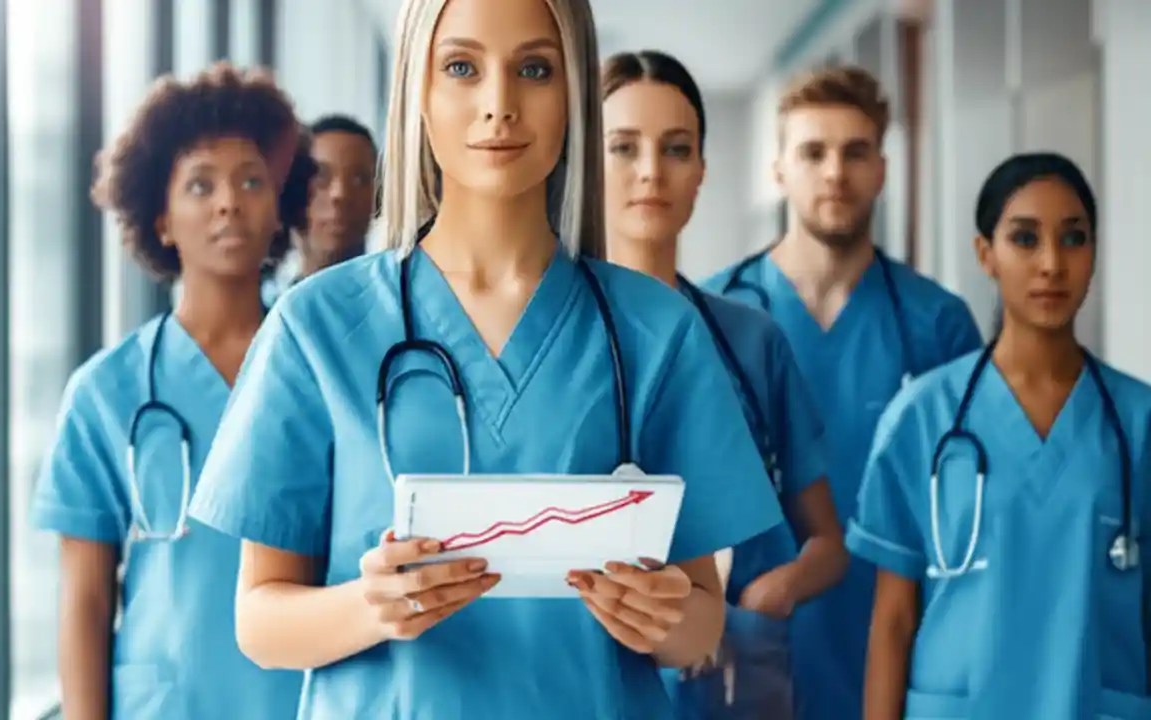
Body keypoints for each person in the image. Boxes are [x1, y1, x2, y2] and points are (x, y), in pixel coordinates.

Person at [186, 0, 783, 718]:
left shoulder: (656, 331)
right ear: (419, 94)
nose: (499, 106)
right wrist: (371, 607)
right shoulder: (317, 326)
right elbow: (260, 622)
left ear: (574, 98)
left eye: (534, 69)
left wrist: (663, 618)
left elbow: (699, 628)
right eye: (462, 68)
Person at [31, 64, 312, 719]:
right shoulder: (106, 392)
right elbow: (86, 598)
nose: (228, 202)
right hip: (169, 701)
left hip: (300, 696)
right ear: (159, 218)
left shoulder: (317, 370)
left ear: (280, 209)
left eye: (252, 180)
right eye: (200, 184)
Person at [702, 65, 983, 719]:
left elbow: (969, 513)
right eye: (813, 152)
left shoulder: (937, 324)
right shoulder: (715, 312)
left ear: (882, 169)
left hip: (891, 645)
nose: (835, 172)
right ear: (778, 169)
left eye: (855, 152)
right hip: (750, 643)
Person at [850, 152, 1151, 719]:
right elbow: (892, 621)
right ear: (985, 254)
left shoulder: (1138, 422)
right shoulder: (923, 417)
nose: (1051, 264)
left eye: (1073, 238)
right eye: (1024, 238)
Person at [602, 50, 848, 719]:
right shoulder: (546, 338)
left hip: (737, 682)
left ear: (703, 169)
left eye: (676, 148)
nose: (652, 170)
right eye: (623, 147)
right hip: (599, 675)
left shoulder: (750, 340)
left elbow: (826, 542)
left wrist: (769, 594)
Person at [270, 114, 378, 289]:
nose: (340, 194)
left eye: (359, 179)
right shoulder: (263, 308)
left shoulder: (400, 308)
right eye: (321, 177)